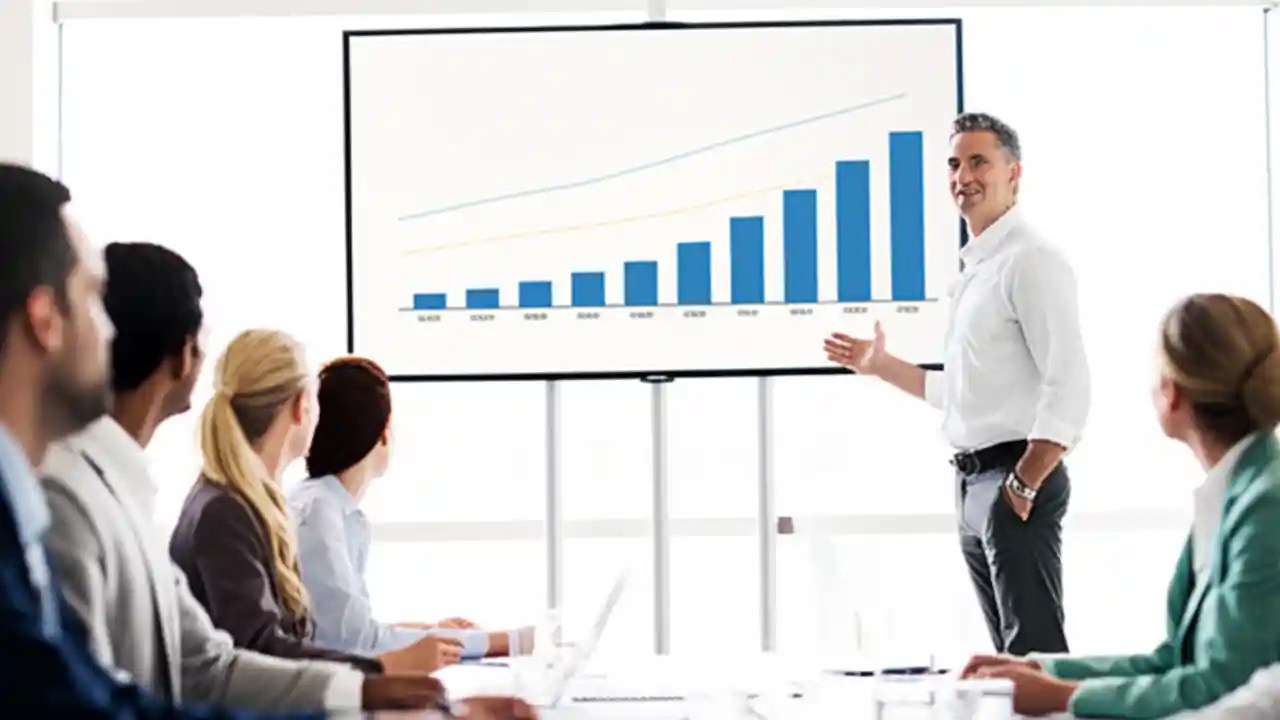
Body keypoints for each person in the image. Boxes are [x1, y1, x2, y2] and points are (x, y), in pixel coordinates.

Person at [37, 242, 473, 712]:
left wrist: (374, 685)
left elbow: (207, 662)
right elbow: (242, 654)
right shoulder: (192, 507)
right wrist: (384, 673)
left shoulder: (139, 494)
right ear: (187, 356)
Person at [0, 162, 310, 717]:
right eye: (92, 298)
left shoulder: (30, 499)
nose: (110, 328)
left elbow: (101, 694)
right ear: (45, 319)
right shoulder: (47, 502)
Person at [824, 112, 1090, 656]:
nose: (961, 176)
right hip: (973, 480)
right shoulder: (979, 270)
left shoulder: (1031, 261)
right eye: (954, 163)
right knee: (1010, 661)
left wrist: (1022, 483)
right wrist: (881, 365)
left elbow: (1070, 383)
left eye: (978, 162)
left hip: (1013, 475)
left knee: (1035, 656)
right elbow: (964, 392)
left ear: (1014, 173)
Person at [962, 293, 1280, 719]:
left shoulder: (1266, 505)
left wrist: (1061, 697)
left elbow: (1223, 685)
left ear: (1172, 394)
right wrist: (1042, 668)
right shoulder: (1231, 491)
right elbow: (1172, 663)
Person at [168, 329, 466, 678]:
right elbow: (262, 652)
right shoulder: (226, 513)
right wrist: (383, 667)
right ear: (301, 407)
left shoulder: (243, 501)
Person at [289, 356, 535, 661]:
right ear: (383, 431)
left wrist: (433, 631)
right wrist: (499, 642)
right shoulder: (318, 514)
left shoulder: (331, 508)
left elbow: (351, 628)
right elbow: (354, 640)